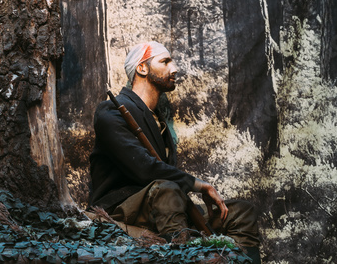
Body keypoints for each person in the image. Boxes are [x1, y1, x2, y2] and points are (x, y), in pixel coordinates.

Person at [89, 42, 262, 263]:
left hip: (165, 205)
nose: (175, 68)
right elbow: (143, 168)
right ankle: (184, 255)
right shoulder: (111, 110)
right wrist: (199, 185)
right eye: (165, 61)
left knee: (241, 212)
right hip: (120, 209)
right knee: (167, 190)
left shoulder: (160, 121)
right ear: (142, 68)